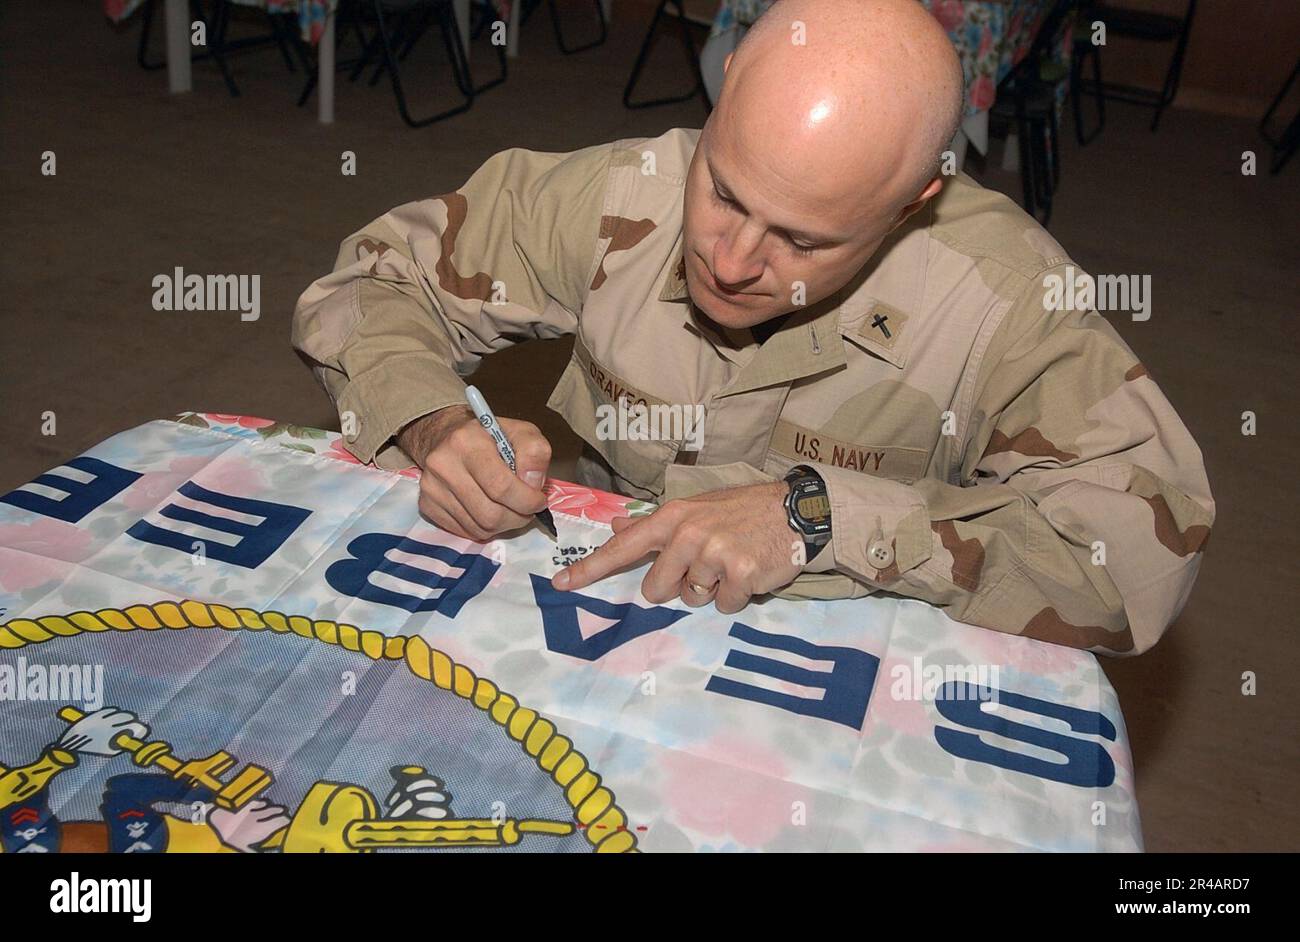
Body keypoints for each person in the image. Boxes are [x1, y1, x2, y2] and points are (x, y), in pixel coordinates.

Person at [292, 0, 1213, 655]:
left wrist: (818, 517)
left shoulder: (1005, 298)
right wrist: (434, 422)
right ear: (724, 90)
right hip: (625, 627)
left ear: (912, 203)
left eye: (805, 238)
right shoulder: (622, 196)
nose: (729, 262)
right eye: (724, 192)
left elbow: (1142, 553)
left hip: (852, 672)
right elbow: (370, 281)